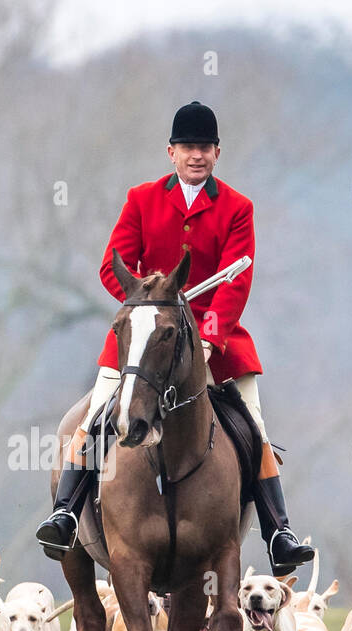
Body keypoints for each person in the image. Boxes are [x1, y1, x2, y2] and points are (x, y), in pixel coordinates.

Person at [36, 101, 314, 575]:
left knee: (256, 429)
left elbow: (235, 283)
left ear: (217, 152)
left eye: (204, 147)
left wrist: (207, 338)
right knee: (97, 416)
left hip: (216, 343)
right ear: (171, 152)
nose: (196, 155)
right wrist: (151, 298)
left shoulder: (237, 208)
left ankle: (278, 532)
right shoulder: (141, 199)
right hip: (146, 338)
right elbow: (112, 267)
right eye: (187, 147)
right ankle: (64, 512)